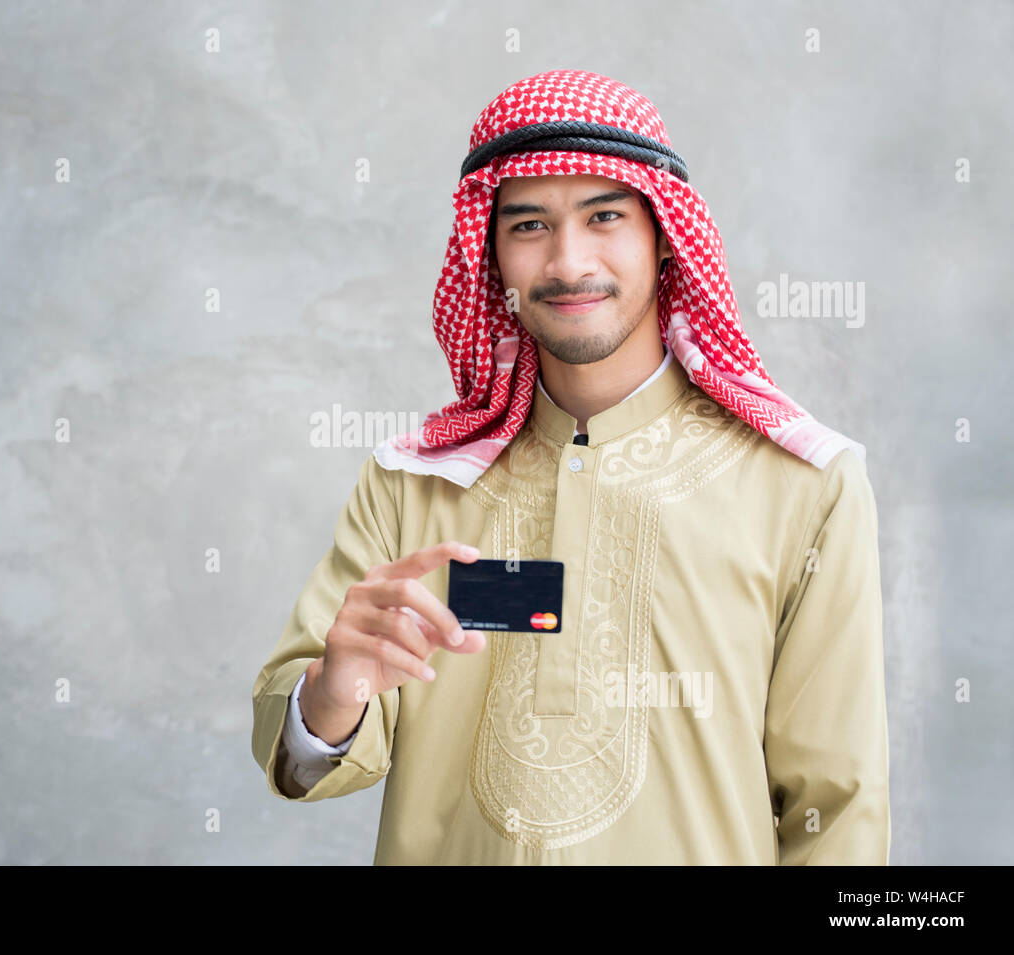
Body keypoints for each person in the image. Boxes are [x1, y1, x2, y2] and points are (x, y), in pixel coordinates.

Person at [250, 69, 889, 865]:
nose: (567, 260)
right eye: (528, 226)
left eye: (605, 216)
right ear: (491, 256)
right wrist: (336, 687)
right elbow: (304, 755)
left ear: (664, 237)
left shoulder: (805, 485)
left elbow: (839, 803)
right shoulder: (414, 484)